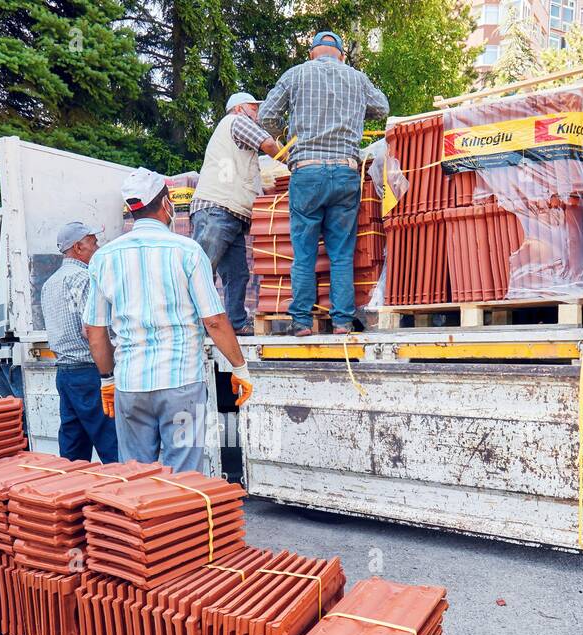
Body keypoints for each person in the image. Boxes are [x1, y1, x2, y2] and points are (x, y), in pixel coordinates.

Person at [84, 168, 253, 473]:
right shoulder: (187, 251)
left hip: (130, 386)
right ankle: (180, 521)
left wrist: (107, 380)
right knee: (183, 477)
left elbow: (95, 331)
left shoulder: (104, 257)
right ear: (166, 205)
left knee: (137, 477)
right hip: (181, 386)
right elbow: (214, 320)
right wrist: (239, 368)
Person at [259, 30, 388, 336]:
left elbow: (265, 116)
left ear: (312, 53)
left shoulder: (295, 75)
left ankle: (302, 322)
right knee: (341, 252)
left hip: (307, 172)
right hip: (345, 172)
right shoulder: (357, 78)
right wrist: (355, 110)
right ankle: (342, 321)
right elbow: (382, 108)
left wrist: (286, 134)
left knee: (304, 252)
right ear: (341, 55)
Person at [190, 91, 285, 334]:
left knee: (237, 274)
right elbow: (269, 144)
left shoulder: (240, 147)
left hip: (230, 213)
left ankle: (236, 323)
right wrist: (296, 161)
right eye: (254, 109)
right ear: (240, 108)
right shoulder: (236, 121)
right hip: (216, 209)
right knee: (202, 271)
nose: (258, 115)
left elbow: (249, 180)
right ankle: (192, 326)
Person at [40, 221, 119, 463]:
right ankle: (125, 496)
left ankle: (73, 495)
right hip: (90, 374)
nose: (98, 247)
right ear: (78, 247)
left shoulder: (49, 283)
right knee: (112, 444)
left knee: (73, 451)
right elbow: (92, 331)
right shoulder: (84, 279)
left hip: (65, 375)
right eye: (93, 243)